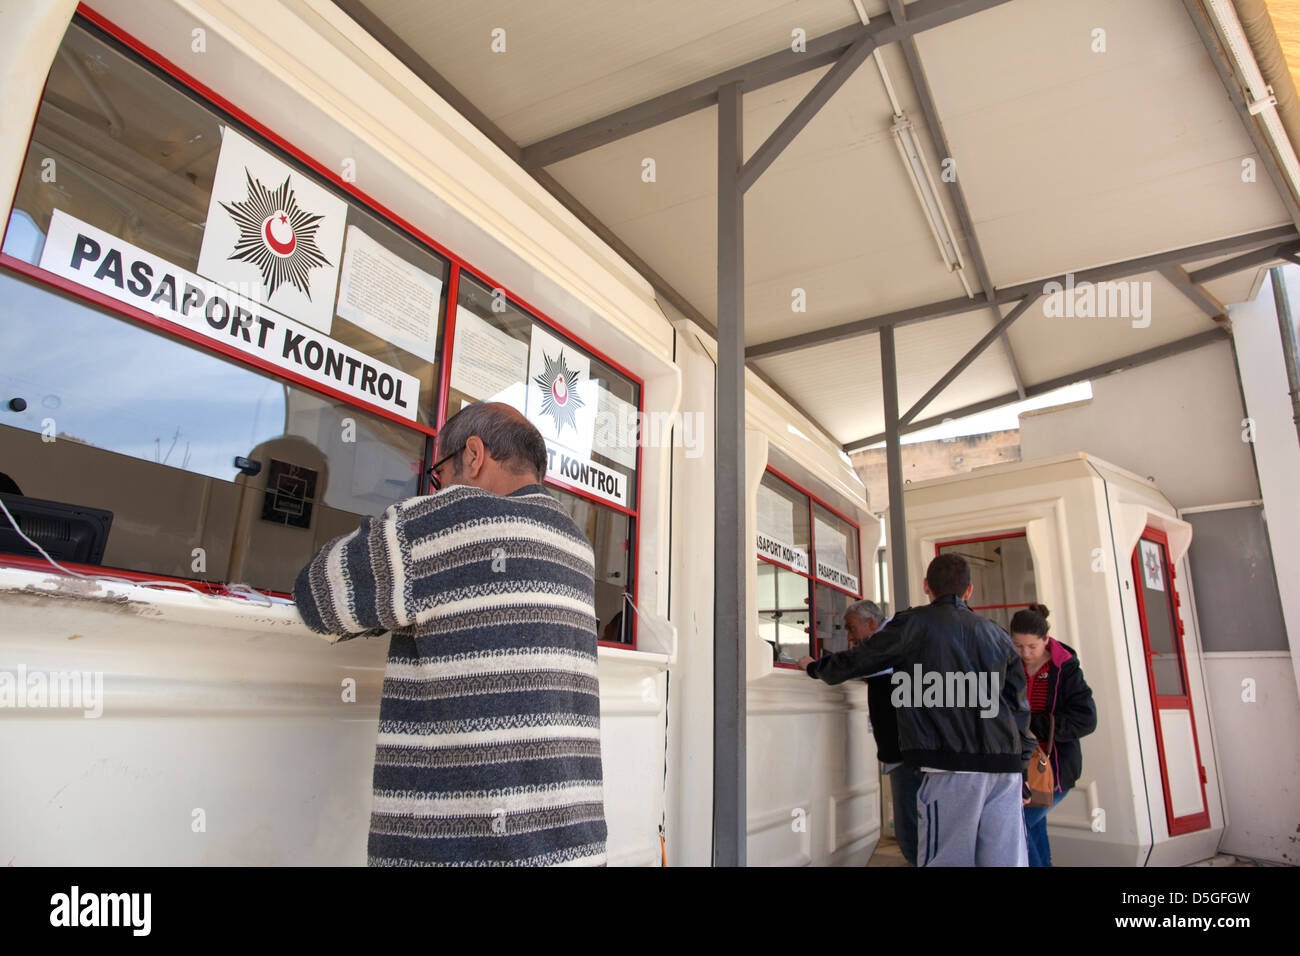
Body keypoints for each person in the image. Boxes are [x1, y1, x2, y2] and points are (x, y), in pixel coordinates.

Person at [293, 401, 608, 866]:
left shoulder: (445, 522)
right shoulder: (576, 546)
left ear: (474, 455)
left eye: (439, 472)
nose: (437, 486)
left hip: (464, 851)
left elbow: (317, 596)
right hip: (574, 845)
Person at [798, 554, 1035, 866]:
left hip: (950, 765)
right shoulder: (995, 634)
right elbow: (1018, 707)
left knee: (947, 859)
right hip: (1004, 769)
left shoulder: (912, 624)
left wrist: (816, 667)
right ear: (969, 591)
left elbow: (859, 660)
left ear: (927, 587)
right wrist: (1022, 763)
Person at [1010, 604, 1097, 867]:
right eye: (1018, 646)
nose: (1025, 653)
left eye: (1032, 647)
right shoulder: (1008, 665)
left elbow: (1087, 719)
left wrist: (1037, 726)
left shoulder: (1066, 669)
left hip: (1057, 769)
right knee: (1033, 829)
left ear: (1046, 641)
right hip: (1020, 768)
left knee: (1017, 825)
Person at [846, 599, 922, 866]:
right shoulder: (891, 644)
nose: (850, 637)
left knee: (910, 829)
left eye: (852, 628)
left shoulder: (888, 642)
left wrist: (814, 666)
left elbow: (855, 664)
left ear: (870, 623)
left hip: (907, 753)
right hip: (907, 751)